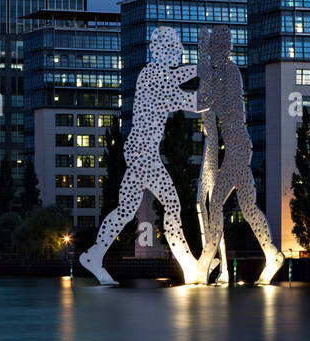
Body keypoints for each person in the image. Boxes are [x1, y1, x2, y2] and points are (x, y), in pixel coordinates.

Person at [78, 26, 202, 285]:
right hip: (143, 153)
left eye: (179, 46)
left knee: (126, 210)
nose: (180, 50)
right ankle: (189, 264)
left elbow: (179, 75)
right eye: (173, 46)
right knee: (172, 205)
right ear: (159, 51)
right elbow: (190, 101)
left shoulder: (155, 73)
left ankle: (95, 255)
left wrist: (203, 68)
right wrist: (216, 89)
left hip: (140, 152)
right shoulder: (152, 76)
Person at [193, 26, 284, 285]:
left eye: (213, 50)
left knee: (216, 203)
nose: (211, 55)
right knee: (248, 207)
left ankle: (209, 260)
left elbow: (213, 101)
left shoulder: (230, 73)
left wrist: (201, 87)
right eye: (209, 51)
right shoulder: (221, 72)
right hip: (236, 148)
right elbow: (207, 93)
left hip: (238, 148)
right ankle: (272, 254)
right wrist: (200, 55)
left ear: (222, 50)